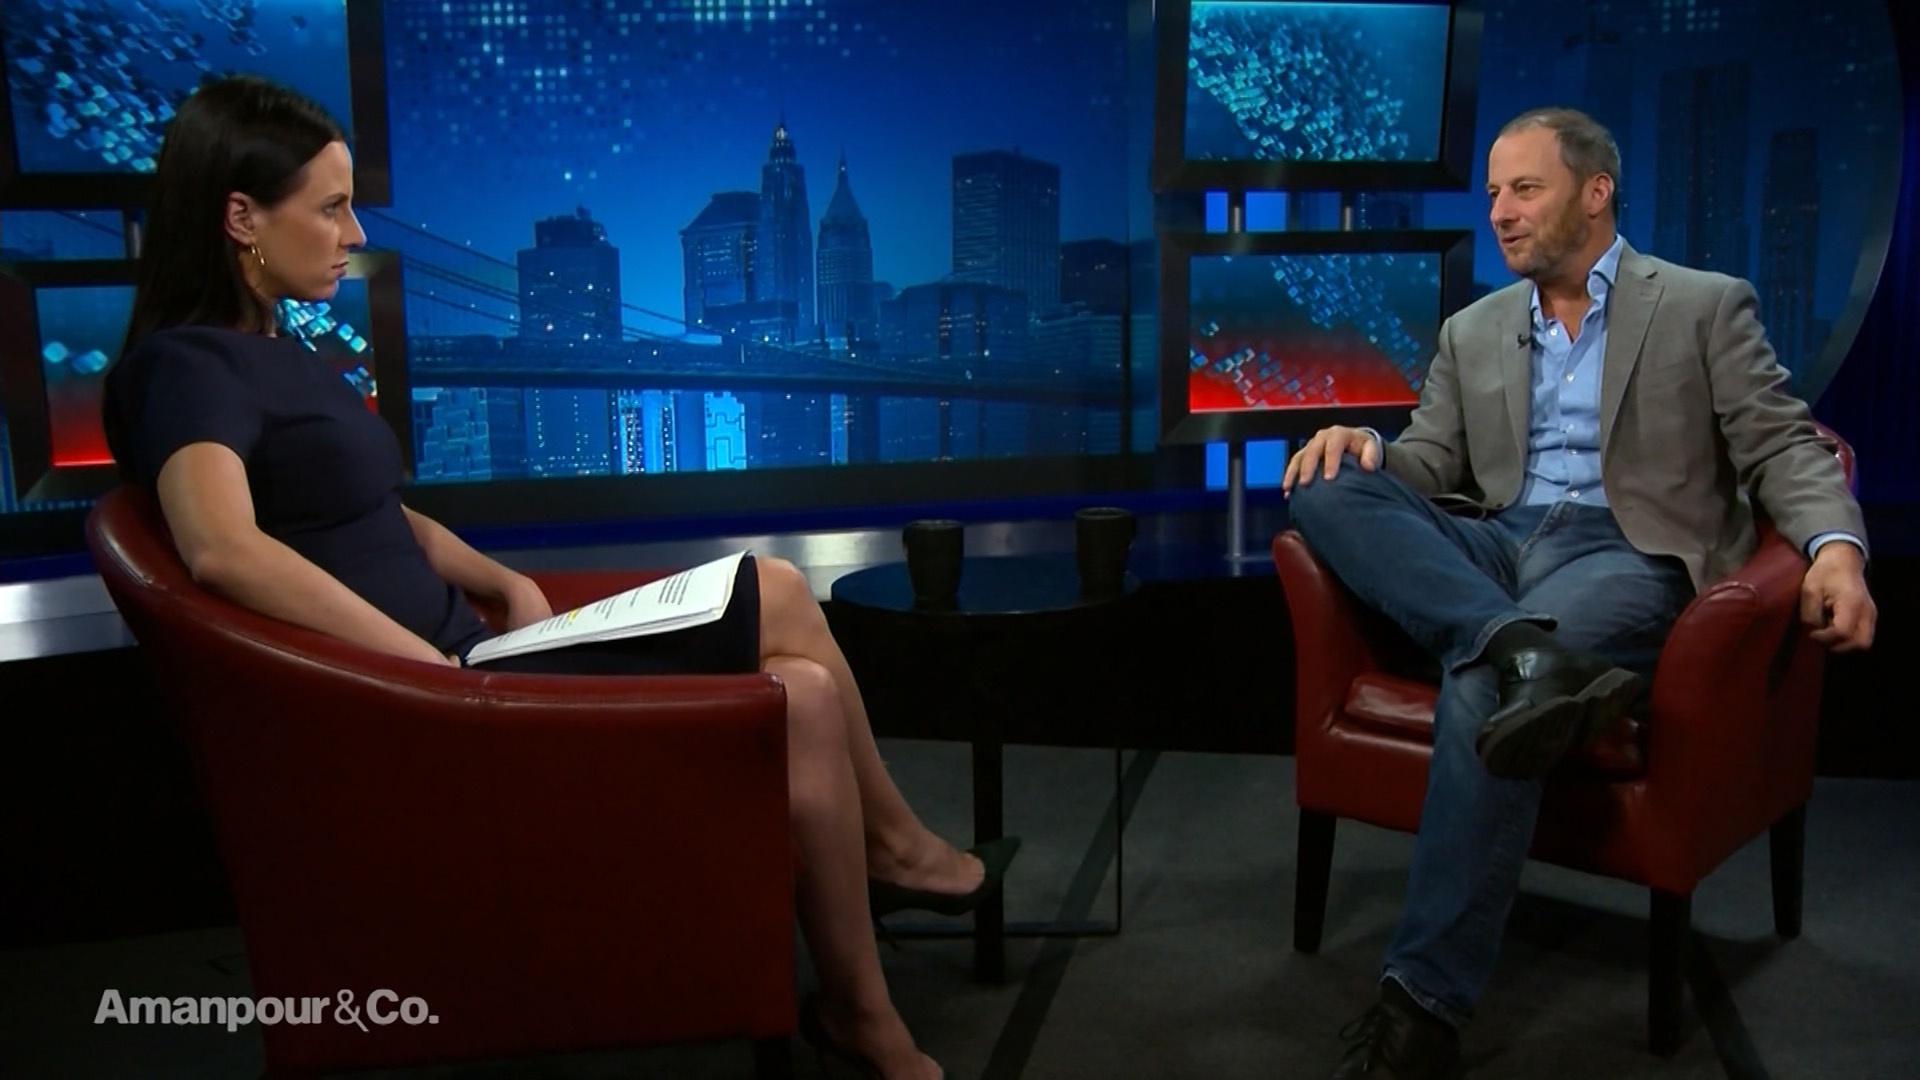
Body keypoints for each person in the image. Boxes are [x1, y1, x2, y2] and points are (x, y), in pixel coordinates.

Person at [101, 75, 1016, 1080]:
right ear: (241, 218)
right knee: (784, 607)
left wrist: (502, 579)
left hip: (474, 662)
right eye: (330, 208)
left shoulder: (279, 350)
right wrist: (424, 671)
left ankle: (861, 1001)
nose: (354, 234)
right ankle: (891, 880)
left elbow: (372, 515)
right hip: (438, 700)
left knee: (799, 676)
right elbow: (222, 547)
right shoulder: (186, 367)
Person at [1280, 107, 1876, 1079]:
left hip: (1627, 554)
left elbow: (1783, 447)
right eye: (1493, 194)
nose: (1501, 213)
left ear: (1596, 193)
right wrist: (1370, 448)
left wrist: (1837, 549)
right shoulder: (1474, 328)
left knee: (1486, 687)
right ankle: (1517, 643)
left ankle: (1421, 1005)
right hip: (1496, 540)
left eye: (1525, 189)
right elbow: (1431, 463)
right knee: (1324, 485)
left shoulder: (1702, 305)